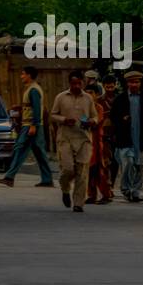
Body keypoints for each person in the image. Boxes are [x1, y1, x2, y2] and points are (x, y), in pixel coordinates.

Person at [110, 70, 143, 202]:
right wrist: (122, 120)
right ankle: (126, 189)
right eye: (131, 82)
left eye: (136, 82)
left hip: (141, 138)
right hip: (125, 139)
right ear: (127, 84)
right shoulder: (120, 99)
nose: (134, 84)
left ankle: (135, 192)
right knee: (128, 163)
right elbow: (112, 117)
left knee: (139, 166)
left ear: (140, 83)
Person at [50, 70, 99, 212]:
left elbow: (95, 117)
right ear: (69, 83)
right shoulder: (61, 97)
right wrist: (64, 120)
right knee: (68, 169)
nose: (76, 86)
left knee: (82, 171)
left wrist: (91, 122)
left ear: (83, 83)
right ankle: (65, 189)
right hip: (65, 138)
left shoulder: (88, 98)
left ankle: (78, 203)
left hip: (83, 139)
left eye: (79, 83)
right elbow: (53, 115)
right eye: (74, 83)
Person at [0, 65, 54, 187]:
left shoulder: (33, 90)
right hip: (32, 125)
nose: (21, 76)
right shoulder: (31, 89)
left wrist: (33, 126)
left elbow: (36, 109)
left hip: (30, 125)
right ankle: (47, 179)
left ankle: (9, 177)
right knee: (39, 153)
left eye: (23, 74)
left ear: (29, 75)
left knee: (20, 149)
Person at [84, 70, 113, 205]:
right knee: (89, 171)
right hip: (87, 143)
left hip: (98, 143)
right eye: (87, 93)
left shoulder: (98, 107)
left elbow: (96, 122)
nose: (89, 96)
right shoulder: (84, 108)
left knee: (101, 170)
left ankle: (106, 194)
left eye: (92, 93)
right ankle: (91, 195)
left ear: (96, 95)